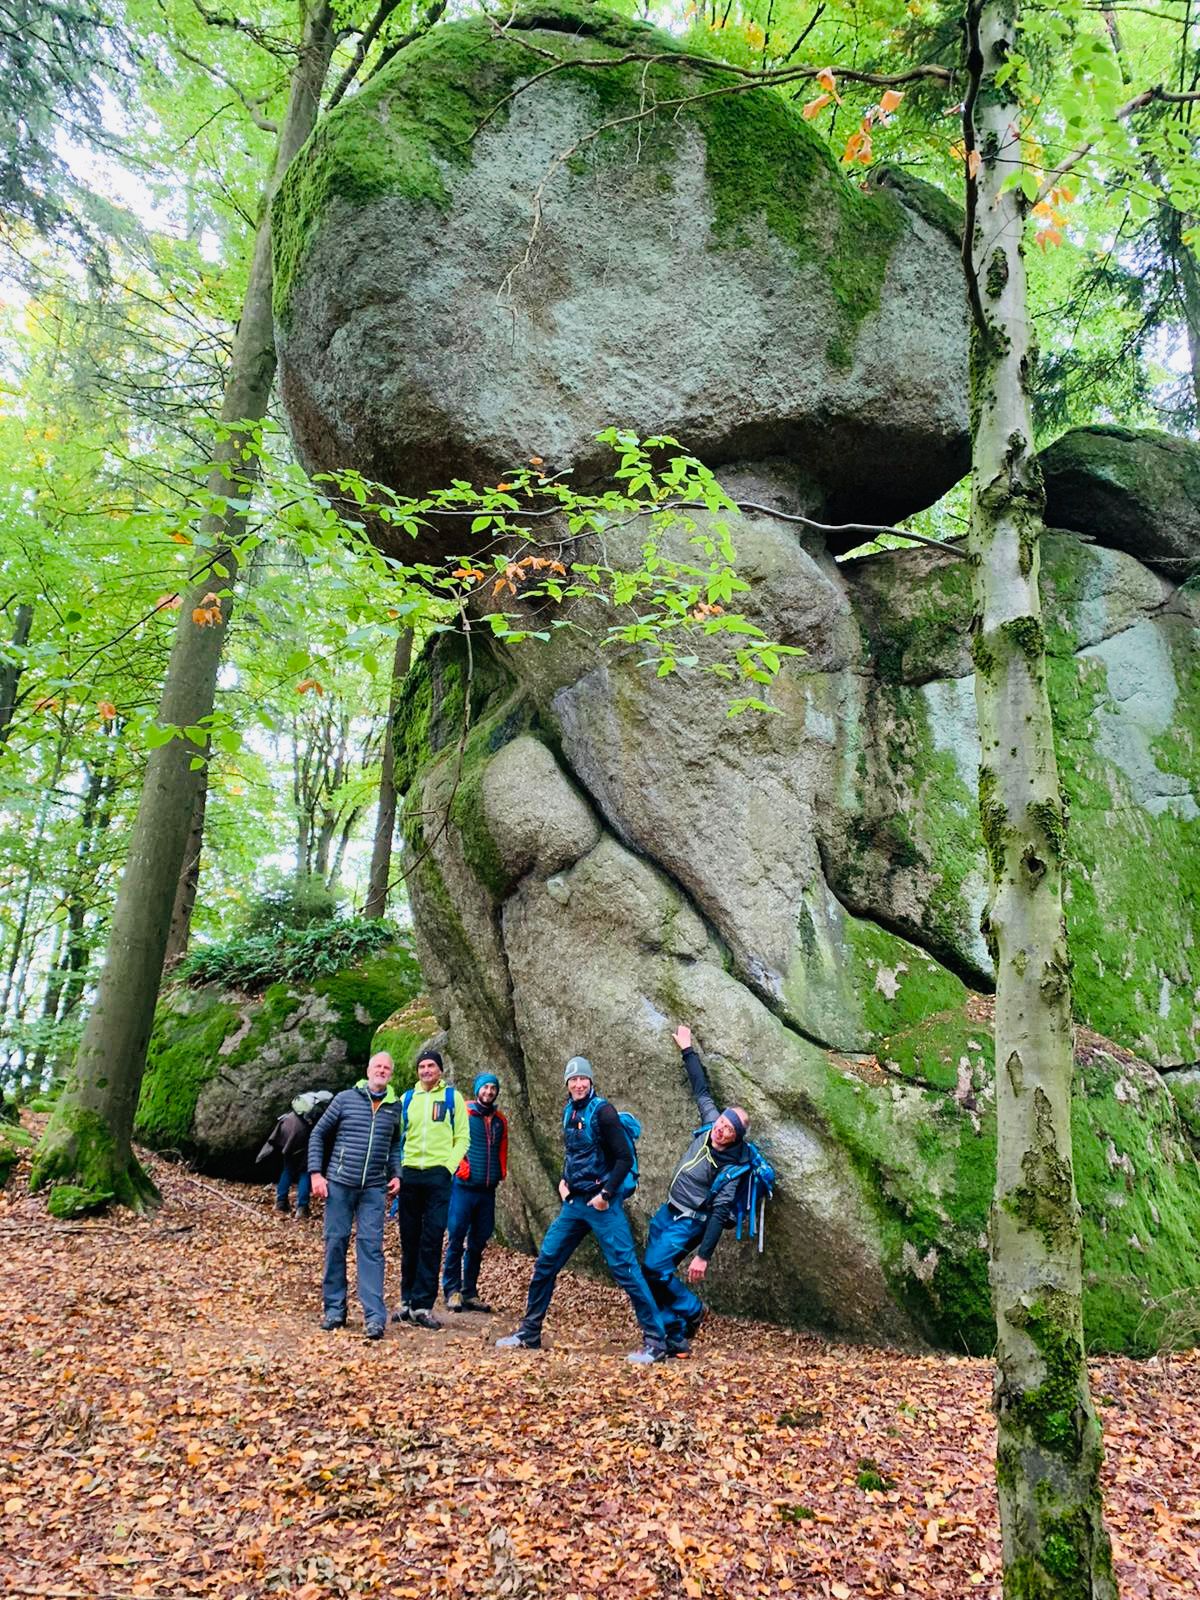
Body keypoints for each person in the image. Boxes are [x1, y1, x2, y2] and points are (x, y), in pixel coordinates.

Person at [496, 1056, 667, 1364]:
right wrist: (564, 1181)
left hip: (602, 1205)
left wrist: (605, 1195)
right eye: (573, 1080)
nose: (578, 1084)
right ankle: (529, 1332)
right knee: (546, 1262)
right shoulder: (569, 1110)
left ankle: (656, 1341)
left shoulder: (603, 1112)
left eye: (582, 1079)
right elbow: (574, 1153)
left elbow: (624, 1159)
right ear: (567, 1084)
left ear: (590, 1081)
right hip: (574, 1204)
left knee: (626, 1270)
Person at [639, 1024, 751, 1355]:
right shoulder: (710, 1125)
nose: (720, 1130)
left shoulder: (732, 1167)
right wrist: (687, 1049)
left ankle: (693, 1310)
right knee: (651, 1272)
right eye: (721, 1124)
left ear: (735, 1137)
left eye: (728, 1130)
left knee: (654, 1268)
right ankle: (675, 1333)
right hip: (668, 1210)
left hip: (690, 1221)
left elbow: (719, 1213)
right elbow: (701, 1091)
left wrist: (703, 1255)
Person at [307, 1053, 402, 1339]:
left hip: (373, 1188)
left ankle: (374, 1318)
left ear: (391, 1074)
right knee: (335, 1243)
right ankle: (334, 1310)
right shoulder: (345, 1099)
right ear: (368, 1070)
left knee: (371, 1249)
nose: (381, 1071)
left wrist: (396, 1173)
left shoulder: (394, 1107)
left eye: (386, 1068)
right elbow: (317, 1134)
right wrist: (316, 1174)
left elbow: (394, 1145)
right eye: (377, 1066)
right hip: (340, 1184)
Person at [393, 1049, 470, 1330]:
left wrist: (448, 1168)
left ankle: (423, 1305)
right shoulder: (407, 1099)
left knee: (432, 1238)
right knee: (409, 1238)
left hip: (439, 1175)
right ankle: (406, 1300)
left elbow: (463, 1137)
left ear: (440, 1070)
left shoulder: (452, 1098)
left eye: (431, 1066)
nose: (426, 1070)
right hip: (410, 1173)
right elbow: (396, 1136)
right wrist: (399, 1167)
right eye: (422, 1066)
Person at [442, 1071, 508, 1312]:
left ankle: (469, 1291)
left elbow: (503, 1145)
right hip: (464, 1188)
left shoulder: (499, 1119)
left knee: (479, 1241)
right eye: (485, 1087)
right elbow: (447, 1140)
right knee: (456, 1238)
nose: (489, 1092)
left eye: (493, 1088)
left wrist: (501, 1170)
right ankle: (452, 1290)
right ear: (477, 1089)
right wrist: (459, 1166)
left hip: (487, 1190)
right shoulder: (464, 1112)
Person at [257, 1091, 331, 1219]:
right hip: (302, 1139)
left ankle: (281, 1202)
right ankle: (302, 1207)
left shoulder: (306, 1101)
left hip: (290, 1135)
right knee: (305, 1173)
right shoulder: (318, 1109)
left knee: (288, 1170)